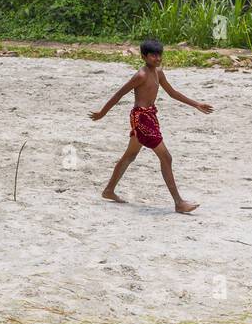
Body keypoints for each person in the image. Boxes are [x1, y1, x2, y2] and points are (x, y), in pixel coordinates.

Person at [89, 39, 213, 213]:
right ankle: (179, 202)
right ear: (144, 57)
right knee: (166, 157)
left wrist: (196, 104)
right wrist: (102, 113)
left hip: (150, 116)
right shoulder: (140, 75)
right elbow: (119, 94)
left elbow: (172, 93)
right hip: (141, 119)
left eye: (159, 54)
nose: (157, 58)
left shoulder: (159, 72)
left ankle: (109, 190)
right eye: (153, 55)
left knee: (130, 155)